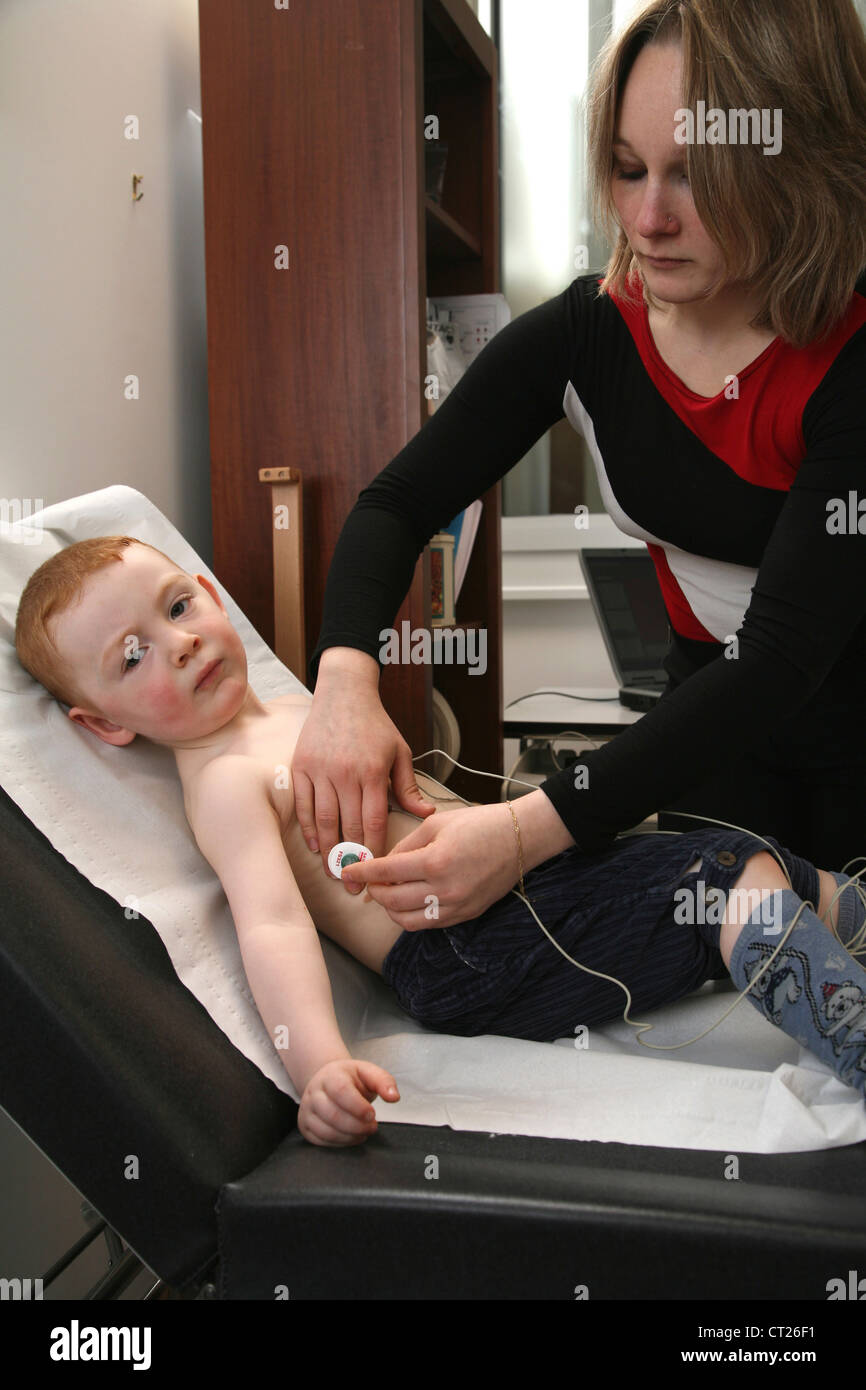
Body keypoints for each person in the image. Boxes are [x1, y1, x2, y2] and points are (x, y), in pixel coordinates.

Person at [291, 0, 866, 943]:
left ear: (795, 166)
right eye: (629, 170)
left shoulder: (847, 361)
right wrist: (345, 679)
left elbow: (778, 661)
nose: (647, 218)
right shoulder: (591, 333)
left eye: (695, 178)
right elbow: (399, 502)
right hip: (710, 740)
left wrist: (523, 831)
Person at [13, 537, 866, 1148]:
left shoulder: (302, 710)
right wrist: (317, 1066)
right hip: (464, 953)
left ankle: (851, 923)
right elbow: (269, 924)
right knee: (722, 879)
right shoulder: (227, 782)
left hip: (518, 895)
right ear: (103, 726)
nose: (182, 641)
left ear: (206, 587)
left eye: (177, 606)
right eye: (134, 657)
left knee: (748, 856)